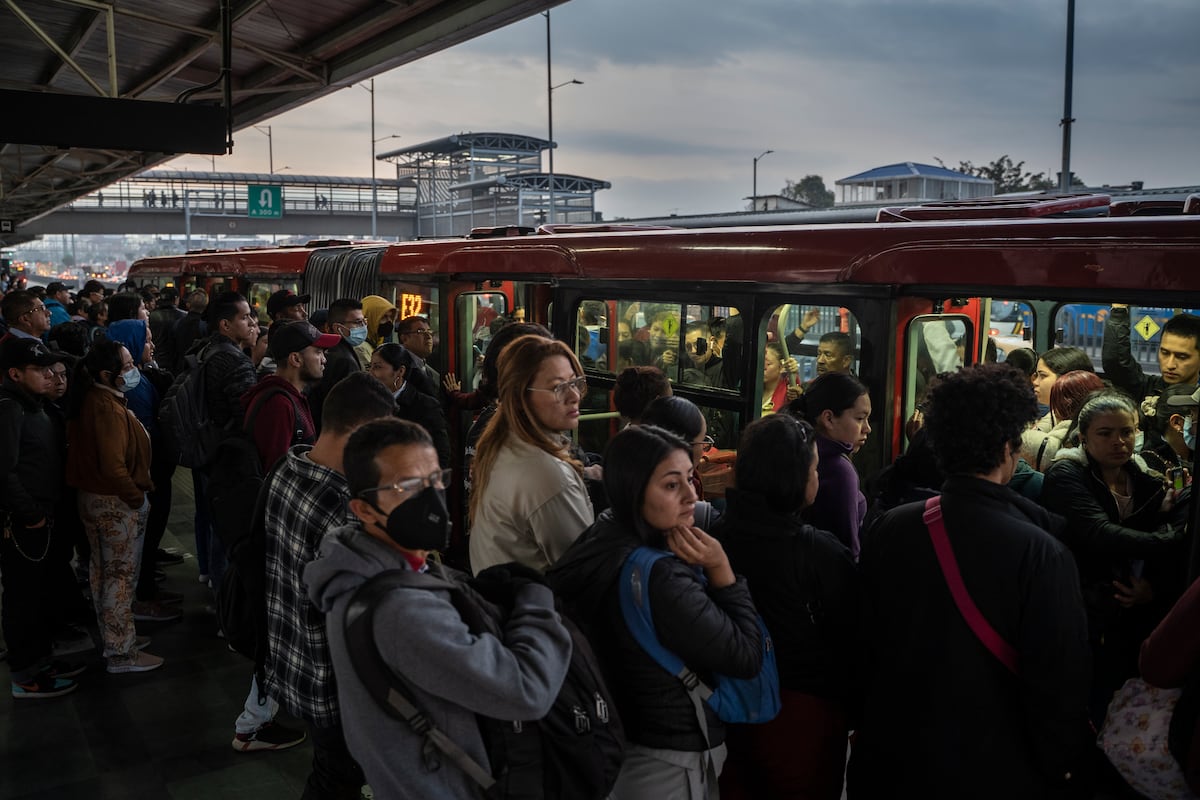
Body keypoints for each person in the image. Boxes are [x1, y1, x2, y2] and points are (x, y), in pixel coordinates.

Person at [848, 364, 1094, 799]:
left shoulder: (891, 527)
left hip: (892, 754)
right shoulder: (1042, 551)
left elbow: (863, 643)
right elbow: (1059, 681)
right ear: (1007, 448)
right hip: (993, 765)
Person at [305, 417, 572, 800]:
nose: (431, 498)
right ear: (364, 509)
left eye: (435, 479)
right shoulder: (399, 609)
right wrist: (536, 600)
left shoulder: (363, 561)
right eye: (409, 486)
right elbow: (526, 690)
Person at [547, 425, 763, 798]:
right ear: (634, 491)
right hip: (670, 758)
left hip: (628, 744)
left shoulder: (605, 533)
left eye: (689, 481)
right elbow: (745, 655)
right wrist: (722, 571)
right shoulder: (660, 575)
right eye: (671, 486)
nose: (691, 496)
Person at [260, 372, 396, 784]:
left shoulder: (287, 469)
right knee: (337, 778)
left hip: (291, 658)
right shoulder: (343, 509)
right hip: (337, 682)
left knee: (329, 771)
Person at [714, 414, 858, 800]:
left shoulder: (713, 537)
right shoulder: (819, 553)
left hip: (724, 710)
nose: (818, 477)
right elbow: (855, 638)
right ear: (794, 478)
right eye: (813, 468)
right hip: (800, 722)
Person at [1040, 389, 1189, 727]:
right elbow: (1100, 533)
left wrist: (1152, 587)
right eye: (1105, 434)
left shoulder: (1141, 475)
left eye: (1127, 431)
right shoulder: (1067, 475)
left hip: (1127, 604)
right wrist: (1171, 540)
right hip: (1079, 600)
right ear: (1083, 438)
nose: (1119, 442)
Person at [65, 339, 163, 674]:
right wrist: (135, 498)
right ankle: (122, 653)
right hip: (114, 503)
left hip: (97, 499)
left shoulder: (95, 398)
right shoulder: (105, 407)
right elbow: (114, 466)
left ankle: (116, 638)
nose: (133, 370)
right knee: (119, 578)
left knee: (103, 573)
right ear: (107, 374)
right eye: (127, 366)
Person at [0, 338, 84, 698]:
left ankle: (38, 660)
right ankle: (25, 675)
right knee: (22, 598)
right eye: (40, 370)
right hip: (23, 523)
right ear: (15, 374)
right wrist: (30, 514)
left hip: (42, 515)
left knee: (37, 594)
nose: (50, 376)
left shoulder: (34, 405)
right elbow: (4, 472)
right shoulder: (9, 408)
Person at [468, 335, 594, 574]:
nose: (575, 396)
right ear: (520, 396)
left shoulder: (502, 442)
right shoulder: (547, 474)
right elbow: (585, 573)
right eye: (558, 387)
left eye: (575, 382)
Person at [105, 319, 182, 623]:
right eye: (147, 341)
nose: (151, 346)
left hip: (153, 470)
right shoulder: (129, 390)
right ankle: (143, 599)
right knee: (143, 541)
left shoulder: (142, 377)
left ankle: (147, 591)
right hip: (146, 474)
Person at [785, 372, 871, 559]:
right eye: (859, 418)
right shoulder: (839, 470)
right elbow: (848, 550)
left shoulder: (791, 449)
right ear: (829, 418)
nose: (867, 428)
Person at [241, 320, 338, 471]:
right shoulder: (279, 404)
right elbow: (276, 471)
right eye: (318, 352)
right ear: (296, 359)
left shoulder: (289, 396)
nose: (324, 360)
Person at [367, 342, 451, 469]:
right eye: (370, 366)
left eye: (377, 367)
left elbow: (440, 455)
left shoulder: (425, 406)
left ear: (400, 371)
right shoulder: (368, 402)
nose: (371, 373)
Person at [1103, 304, 1200, 404]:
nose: (1170, 365)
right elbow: (1116, 361)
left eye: (1182, 357)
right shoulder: (1146, 389)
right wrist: (1119, 311)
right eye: (1165, 353)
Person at [1019, 369, 1105, 471]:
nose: (1035, 382)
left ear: (1065, 403)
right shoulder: (1102, 440)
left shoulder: (1042, 442)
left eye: (1043, 376)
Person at [308, 298, 366, 433]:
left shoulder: (333, 352)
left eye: (364, 322)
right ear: (337, 328)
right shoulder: (343, 361)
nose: (363, 327)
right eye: (357, 322)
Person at [1029, 346, 1093, 428]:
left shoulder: (1081, 424)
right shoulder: (1058, 414)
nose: (1035, 382)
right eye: (1036, 375)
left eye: (1043, 376)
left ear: (1067, 379)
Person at [396, 315, 439, 391]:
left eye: (429, 331)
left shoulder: (426, 369)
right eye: (421, 331)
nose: (428, 336)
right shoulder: (398, 369)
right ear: (404, 338)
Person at [761, 341, 800, 416]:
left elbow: (794, 386)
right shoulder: (754, 388)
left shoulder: (787, 392)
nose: (762, 367)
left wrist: (793, 370)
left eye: (768, 364)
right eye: (760, 362)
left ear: (781, 367)